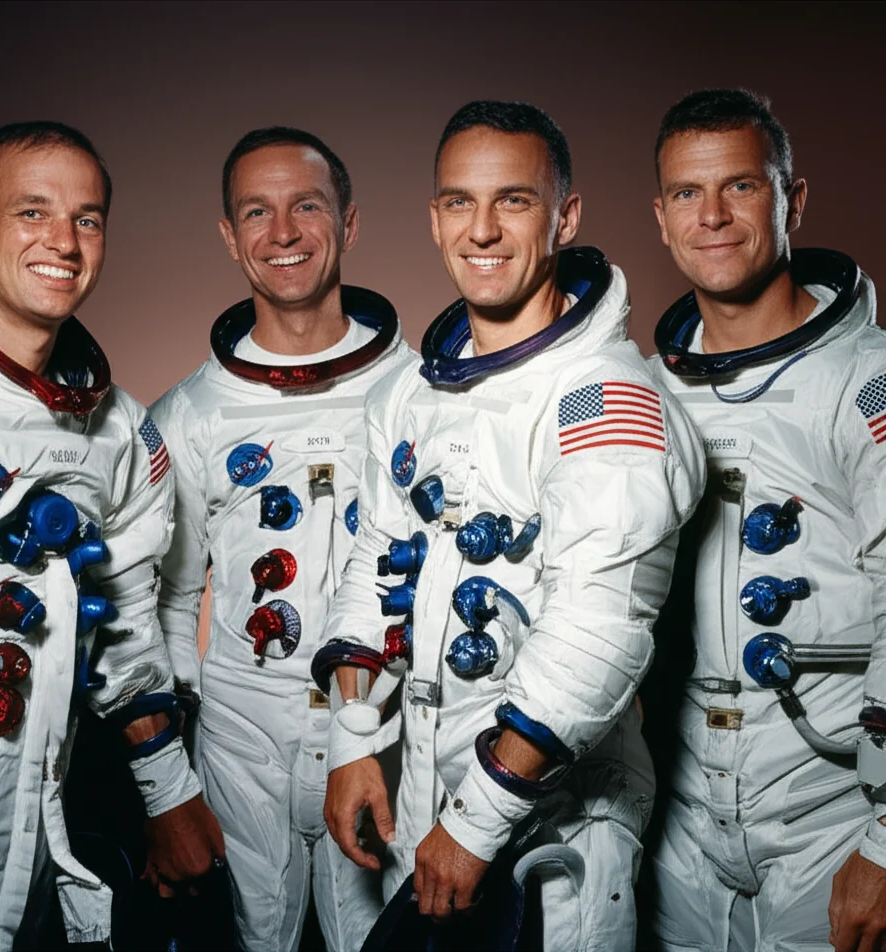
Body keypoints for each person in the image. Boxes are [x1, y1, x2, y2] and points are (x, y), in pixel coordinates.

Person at [315, 100, 705, 950]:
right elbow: (376, 559)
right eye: (459, 201)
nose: (482, 229)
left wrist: (482, 819)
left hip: (548, 812)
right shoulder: (407, 394)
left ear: (565, 216)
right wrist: (350, 737)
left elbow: (599, 630)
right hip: (420, 781)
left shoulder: (608, 398)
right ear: (433, 218)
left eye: (514, 201)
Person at [0, 121, 223, 952]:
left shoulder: (119, 431)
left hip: (38, 833)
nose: (63, 240)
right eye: (32, 212)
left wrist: (168, 791)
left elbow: (124, 620)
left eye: (87, 219)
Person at [151, 126, 412, 952]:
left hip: (380, 726)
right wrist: (173, 778)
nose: (284, 233)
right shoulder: (189, 414)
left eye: (307, 206)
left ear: (350, 222)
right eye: (256, 213)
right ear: (230, 238)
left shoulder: (420, 392)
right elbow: (169, 597)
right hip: (239, 738)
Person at [645, 88, 886, 952]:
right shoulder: (644, 395)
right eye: (686, 194)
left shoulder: (866, 384)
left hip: (829, 812)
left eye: (741, 187)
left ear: (794, 200)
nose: (712, 216)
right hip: (678, 819)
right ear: (662, 218)